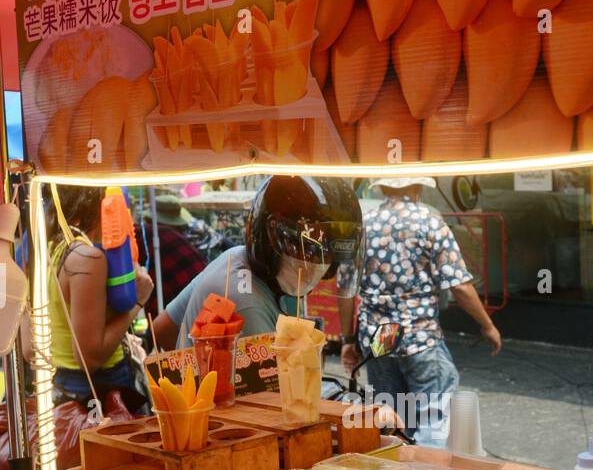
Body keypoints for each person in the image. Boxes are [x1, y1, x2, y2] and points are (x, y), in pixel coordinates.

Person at [353, 176, 501, 445]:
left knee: (392, 421)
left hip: (378, 342)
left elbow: (345, 287)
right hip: (419, 337)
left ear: (384, 188)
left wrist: (345, 339)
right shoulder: (430, 222)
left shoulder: (365, 224)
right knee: (433, 421)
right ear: (418, 188)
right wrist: (487, 325)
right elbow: (460, 286)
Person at [152, 175, 362, 349]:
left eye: (326, 255)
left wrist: (199, 371)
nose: (317, 263)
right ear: (269, 241)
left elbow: (163, 329)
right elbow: (272, 398)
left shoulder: (233, 257)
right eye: (305, 250)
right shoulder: (248, 306)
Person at [26, 186, 154, 404]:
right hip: (97, 389)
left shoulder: (47, 249)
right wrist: (139, 301)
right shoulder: (87, 258)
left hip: (61, 387)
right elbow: (89, 358)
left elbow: (29, 350)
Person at [135, 194, 205, 310]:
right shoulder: (171, 239)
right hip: (199, 305)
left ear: (148, 219)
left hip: (181, 310)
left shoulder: (152, 236)